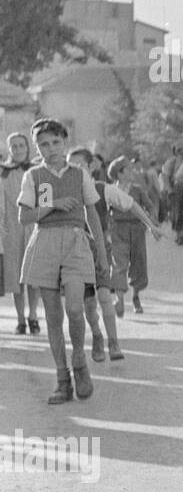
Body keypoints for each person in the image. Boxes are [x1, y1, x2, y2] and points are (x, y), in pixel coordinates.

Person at [16, 118, 111, 403]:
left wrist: (102, 254)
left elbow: (92, 213)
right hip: (44, 243)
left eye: (56, 143)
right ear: (37, 148)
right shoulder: (33, 176)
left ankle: (79, 360)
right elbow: (25, 218)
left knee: (75, 307)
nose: (51, 148)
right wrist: (51, 205)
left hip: (75, 243)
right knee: (53, 318)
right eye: (44, 144)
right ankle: (62, 379)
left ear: (65, 143)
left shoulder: (80, 174)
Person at [67, 148, 126, 362]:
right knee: (88, 305)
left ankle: (114, 342)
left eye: (80, 166)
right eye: (70, 166)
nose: (75, 170)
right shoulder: (58, 188)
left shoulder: (100, 189)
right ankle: (97, 335)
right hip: (75, 251)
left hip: (99, 248)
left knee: (104, 297)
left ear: (90, 167)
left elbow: (127, 204)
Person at [105, 157, 163, 315]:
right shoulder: (110, 190)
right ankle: (120, 299)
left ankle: (136, 296)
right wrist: (105, 232)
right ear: (120, 174)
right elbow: (104, 212)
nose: (133, 171)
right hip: (118, 230)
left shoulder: (137, 190)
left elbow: (150, 206)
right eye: (129, 169)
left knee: (138, 264)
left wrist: (152, 223)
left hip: (137, 230)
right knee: (119, 264)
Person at [2, 132, 41, 333]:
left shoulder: (36, 170)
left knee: (33, 275)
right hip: (11, 229)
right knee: (16, 276)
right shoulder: (3, 173)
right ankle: (20, 319)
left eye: (21, 146)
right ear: (9, 150)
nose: (18, 150)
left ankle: (33, 315)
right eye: (14, 146)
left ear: (27, 148)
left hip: (33, 226)